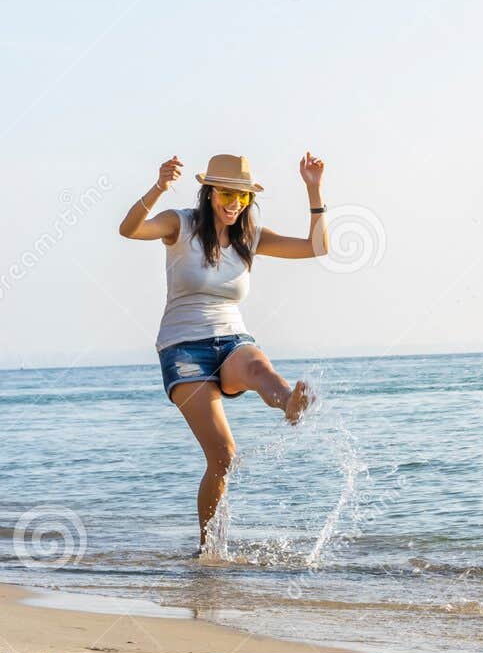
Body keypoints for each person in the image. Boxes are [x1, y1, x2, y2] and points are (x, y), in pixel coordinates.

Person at [119, 153, 332, 550]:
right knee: (223, 455)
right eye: (227, 194)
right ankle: (210, 550)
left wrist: (313, 189)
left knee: (260, 369)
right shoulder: (180, 224)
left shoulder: (249, 236)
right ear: (210, 192)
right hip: (183, 349)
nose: (235, 203)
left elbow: (317, 247)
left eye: (243, 196)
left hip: (233, 338)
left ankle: (289, 402)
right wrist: (159, 186)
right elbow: (129, 229)